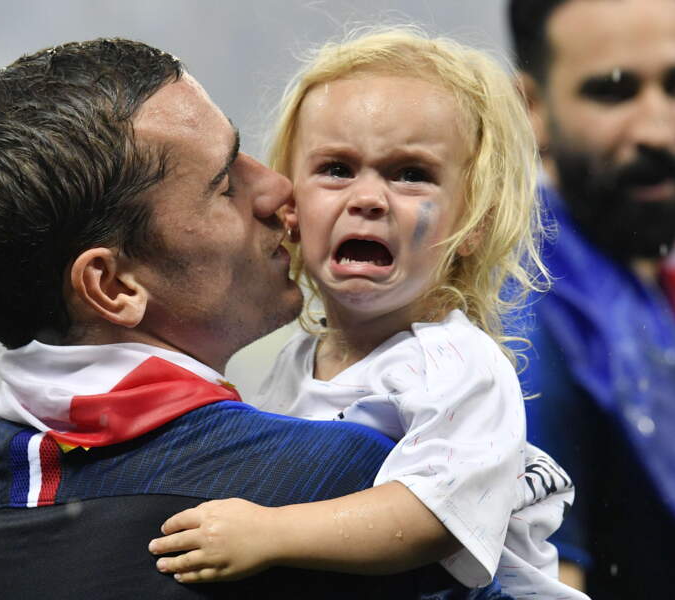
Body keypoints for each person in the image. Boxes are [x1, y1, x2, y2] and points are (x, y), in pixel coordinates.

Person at [0, 38, 513, 599]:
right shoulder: (345, 482)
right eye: (226, 182)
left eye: (410, 175)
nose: (277, 190)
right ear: (112, 286)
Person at [148, 29, 586, 600]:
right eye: (336, 168)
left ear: (474, 221)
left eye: (410, 174)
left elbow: (428, 518)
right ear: (292, 208)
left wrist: (270, 533)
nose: (369, 197)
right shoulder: (298, 360)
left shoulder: (458, 365)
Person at [507, 0, 675, 597]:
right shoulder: (526, 325)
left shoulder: (645, 273)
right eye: (614, 91)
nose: (659, 129)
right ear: (533, 108)